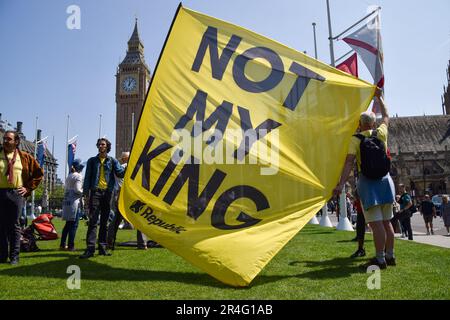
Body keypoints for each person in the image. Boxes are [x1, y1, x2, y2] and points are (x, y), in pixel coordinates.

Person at [333, 88, 396, 270]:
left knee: (376, 225)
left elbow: (349, 163)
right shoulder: (382, 133)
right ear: (373, 123)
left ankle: (379, 259)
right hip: (386, 181)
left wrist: (341, 184)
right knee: (386, 222)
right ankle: (390, 255)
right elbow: (386, 115)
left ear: (360, 124)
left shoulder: (356, 139)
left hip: (368, 182)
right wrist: (379, 97)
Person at [0, 130, 43, 265]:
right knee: (0, 226)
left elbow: (38, 173)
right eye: (4, 139)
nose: (6, 141)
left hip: (16, 194)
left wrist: (28, 188)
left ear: (16, 142)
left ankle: (14, 256)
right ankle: (2, 255)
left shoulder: (24, 157)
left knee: (14, 226)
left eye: (9, 139)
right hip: (0, 192)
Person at [79, 138, 125, 259]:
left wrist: (131, 166)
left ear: (107, 146)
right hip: (95, 192)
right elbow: (87, 177)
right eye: (99, 144)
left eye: (103, 144)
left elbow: (120, 173)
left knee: (104, 221)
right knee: (93, 221)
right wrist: (86, 194)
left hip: (107, 193)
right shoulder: (92, 161)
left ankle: (102, 248)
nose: (100, 146)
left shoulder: (112, 161)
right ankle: (90, 248)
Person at [107, 151, 148, 250]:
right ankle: (142, 244)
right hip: (129, 194)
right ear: (126, 158)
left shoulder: (120, 168)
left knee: (117, 218)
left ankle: (109, 241)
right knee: (139, 218)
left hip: (121, 194)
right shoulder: (130, 167)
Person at [60, 159, 85, 251]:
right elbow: (77, 189)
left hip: (67, 201)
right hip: (74, 202)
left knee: (67, 224)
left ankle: (62, 244)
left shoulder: (69, 176)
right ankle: (71, 246)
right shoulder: (78, 176)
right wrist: (84, 192)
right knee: (74, 225)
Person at [350, 190, 366, 258]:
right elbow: (355, 204)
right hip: (360, 213)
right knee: (359, 230)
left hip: (366, 211)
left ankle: (383, 253)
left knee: (360, 230)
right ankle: (360, 249)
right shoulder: (358, 192)